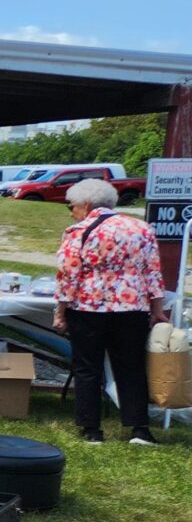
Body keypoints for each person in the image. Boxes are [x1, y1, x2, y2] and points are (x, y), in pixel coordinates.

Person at [54, 178, 166, 446]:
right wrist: (157, 309)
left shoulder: (78, 231)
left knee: (88, 367)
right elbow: (153, 272)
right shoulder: (142, 229)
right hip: (132, 306)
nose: (71, 211)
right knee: (131, 367)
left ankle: (91, 429)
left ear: (87, 205)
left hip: (89, 305)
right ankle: (139, 429)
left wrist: (60, 311)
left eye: (72, 206)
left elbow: (68, 275)